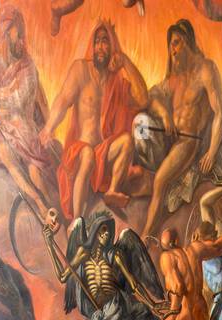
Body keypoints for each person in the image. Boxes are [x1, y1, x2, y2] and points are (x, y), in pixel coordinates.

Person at [41, 22, 147, 221]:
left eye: (105, 42)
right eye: (97, 42)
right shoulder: (81, 70)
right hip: (79, 152)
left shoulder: (116, 80)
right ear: (92, 44)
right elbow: (63, 100)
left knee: (126, 141)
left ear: (112, 47)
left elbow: (142, 99)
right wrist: (49, 128)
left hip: (102, 154)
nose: (100, 47)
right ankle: (77, 222)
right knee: (88, 153)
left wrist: (125, 61)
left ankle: (112, 192)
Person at [142, 20, 222, 239]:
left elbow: (220, 112)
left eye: (177, 43)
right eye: (171, 44)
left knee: (160, 181)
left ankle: (144, 237)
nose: (173, 49)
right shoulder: (175, 77)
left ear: (188, 41)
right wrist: (164, 113)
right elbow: (151, 96)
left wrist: (211, 151)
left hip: (189, 141)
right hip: (169, 140)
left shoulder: (206, 70)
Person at [0, 5, 59, 228]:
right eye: (15, 33)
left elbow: (19, 100)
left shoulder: (28, 66)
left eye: (21, 33)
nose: (20, 39)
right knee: (6, 155)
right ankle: (40, 206)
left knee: (35, 173)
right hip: (4, 131)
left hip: (26, 131)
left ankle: (52, 214)